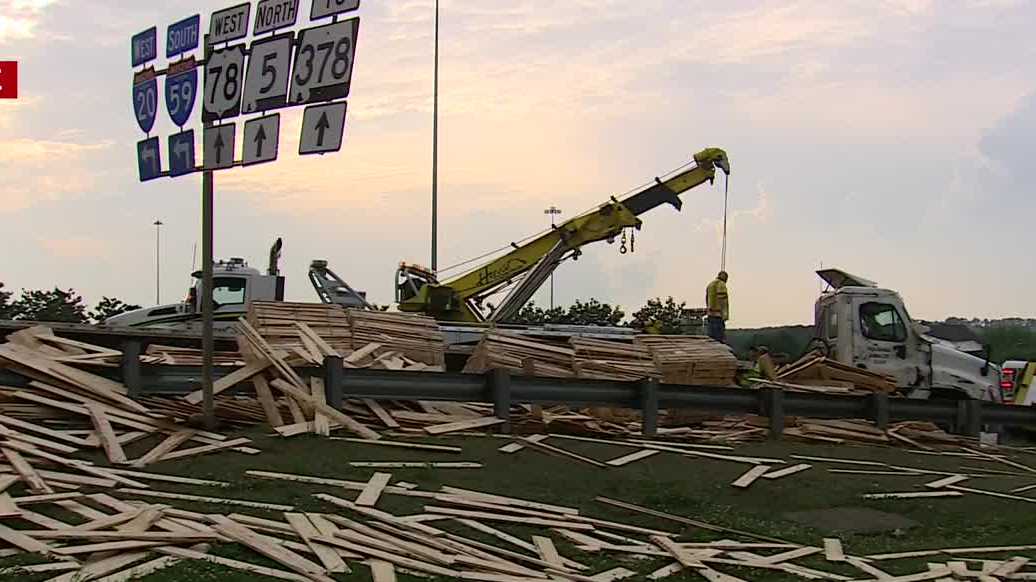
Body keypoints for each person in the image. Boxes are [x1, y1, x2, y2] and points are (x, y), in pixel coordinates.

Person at [706, 271, 729, 343]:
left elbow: (707, 299)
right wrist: (725, 315)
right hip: (718, 315)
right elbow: (723, 301)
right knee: (719, 338)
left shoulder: (710, 285)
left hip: (710, 314)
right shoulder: (721, 285)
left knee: (711, 338)